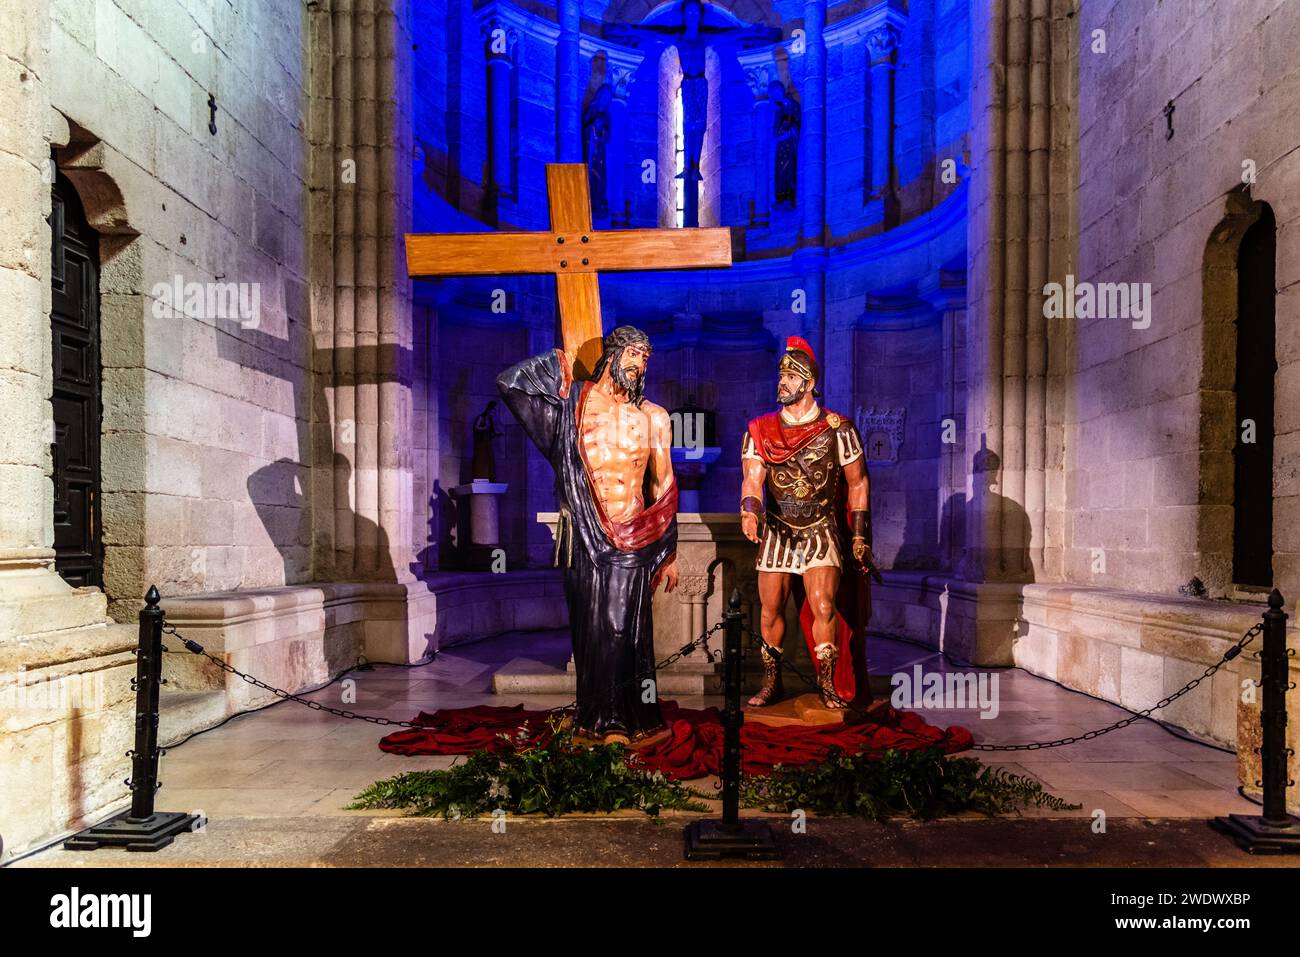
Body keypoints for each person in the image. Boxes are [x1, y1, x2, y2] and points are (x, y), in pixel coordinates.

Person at [497, 326, 679, 744]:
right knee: (590, 631)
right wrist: (558, 362)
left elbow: (663, 486)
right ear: (613, 354)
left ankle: (621, 718)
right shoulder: (572, 406)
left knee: (621, 629)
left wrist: (668, 550)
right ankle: (592, 717)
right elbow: (510, 383)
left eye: (645, 358)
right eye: (633, 354)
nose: (640, 364)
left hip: (632, 535)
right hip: (583, 531)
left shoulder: (652, 417)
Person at [739, 336, 882, 709]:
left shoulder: (839, 429)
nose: (781, 383)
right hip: (778, 529)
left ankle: (827, 684)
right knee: (770, 609)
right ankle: (772, 682)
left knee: (823, 606)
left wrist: (859, 536)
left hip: (820, 529)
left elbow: (858, 483)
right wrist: (749, 510)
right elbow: (753, 477)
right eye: (781, 375)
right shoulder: (760, 430)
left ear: (809, 383)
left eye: (790, 376)